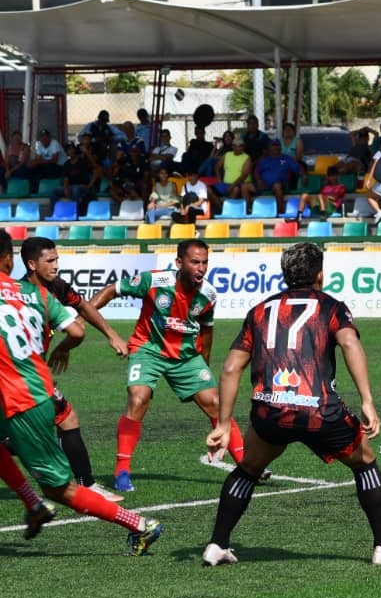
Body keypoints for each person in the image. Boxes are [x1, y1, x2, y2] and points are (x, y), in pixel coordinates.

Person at [203, 242, 381, 567]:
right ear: (320, 275)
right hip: (318, 411)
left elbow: (230, 368)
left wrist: (224, 424)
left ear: (285, 275)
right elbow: (350, 343)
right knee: (365, 462)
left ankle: (216, 544)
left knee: (248, 469)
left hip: (270, 412)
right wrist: (367, 400)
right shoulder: (331, 307)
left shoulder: (259, 311)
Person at [0, 228, 161, 553]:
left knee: (60, 489)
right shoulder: (37, 294)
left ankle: (140, 524)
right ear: (9, 258)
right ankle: (33, 504)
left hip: (20, 400)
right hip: (35, 388)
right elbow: (75, 328)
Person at [88, 239, 247, 492]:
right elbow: (111, 290)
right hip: (147, 349)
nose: (201, 268)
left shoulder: (208, 294)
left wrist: (202, 368)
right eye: (195, 262)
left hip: (185, 356)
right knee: (138, 399)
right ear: (179, 263)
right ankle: (122, 471)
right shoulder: (154, 281)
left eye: (205, 262)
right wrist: (79, 316)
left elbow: (206, 333)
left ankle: (247, 468)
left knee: (217, 403)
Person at [18, 235, 128, 502]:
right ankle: (86, 485)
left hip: (30, 373)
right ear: (32, 264)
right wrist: (66, 346)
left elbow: (83, 307)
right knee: (64, 420)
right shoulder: (20, 294)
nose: (56, 265)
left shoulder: (56, 286)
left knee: (53, 422)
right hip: (20, 374)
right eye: (50, 260)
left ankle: (85, 484)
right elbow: (77, 332)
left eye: (57, 259)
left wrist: (111, 334)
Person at [254, 139, 301, 216]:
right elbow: (256, 172)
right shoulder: (263, 159)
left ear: (280, 147)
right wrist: (258, 180)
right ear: (269, 148)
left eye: (277, 145)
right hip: (263, 185)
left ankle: (279, 211)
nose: (275, 147)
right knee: (245, 187)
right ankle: (248, 209)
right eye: (273, 145)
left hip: (280, 185)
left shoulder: (287, 158)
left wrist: (304, 175)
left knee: (277, 185)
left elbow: (298, 168)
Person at [214, 133, 256, 208]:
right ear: (232, 146)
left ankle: (228, 209)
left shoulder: (247, 158)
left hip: (239, 184)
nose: (238, 148)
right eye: (235, 146)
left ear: (243, 147)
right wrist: (219, 180)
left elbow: (244, 176)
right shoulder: (227, 155)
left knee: (236, 189)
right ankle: (221, 208)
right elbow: (217, 167)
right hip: (225, 184)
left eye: (240, 146)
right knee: (207, 190)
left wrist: (232, 186)